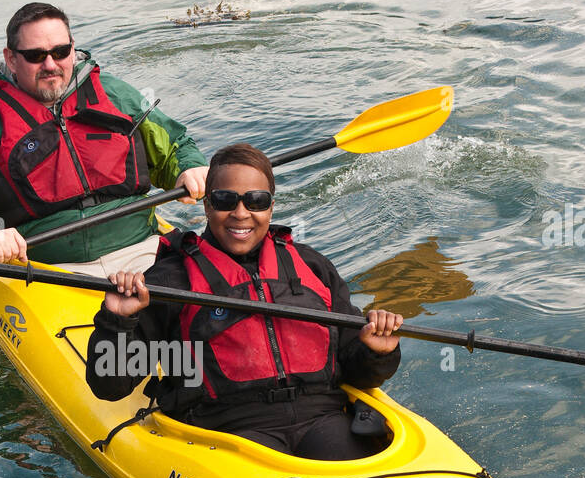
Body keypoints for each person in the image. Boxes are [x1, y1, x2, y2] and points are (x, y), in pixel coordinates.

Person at [85, 143, 403, 461]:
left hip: (322, 419)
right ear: (207, 206)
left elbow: (358, 373)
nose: (241, 213)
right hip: (227, 432)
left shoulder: (312, 266)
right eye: (226, 200)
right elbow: (110, 387)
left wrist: (377, 352)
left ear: (271, 207)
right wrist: (117, 320)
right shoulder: (170, 282)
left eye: (256, 201)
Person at [0, 2, 208, 276]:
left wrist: (189, 168)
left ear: (72, 48)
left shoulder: (116, 96)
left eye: (60, 51)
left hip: (143, 251)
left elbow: (175, 148)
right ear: (11, 58)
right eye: (35, 56)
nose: (50, 64)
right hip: (47, 270)